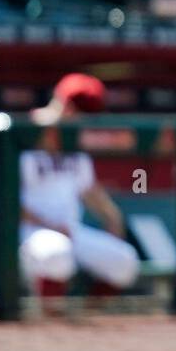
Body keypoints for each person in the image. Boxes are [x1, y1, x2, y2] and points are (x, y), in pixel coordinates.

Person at [19, 74, 139, 295]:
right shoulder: (21, 133)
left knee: (125, 260)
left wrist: (112, 217)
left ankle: (85, 324)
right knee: (57, 253)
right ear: (66, 105)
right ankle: (49, 322)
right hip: (27, 232)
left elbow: (87, 188)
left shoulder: (73, 141)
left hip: (69, 230)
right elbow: (7, 201)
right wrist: (49, 225)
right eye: (80, 112)